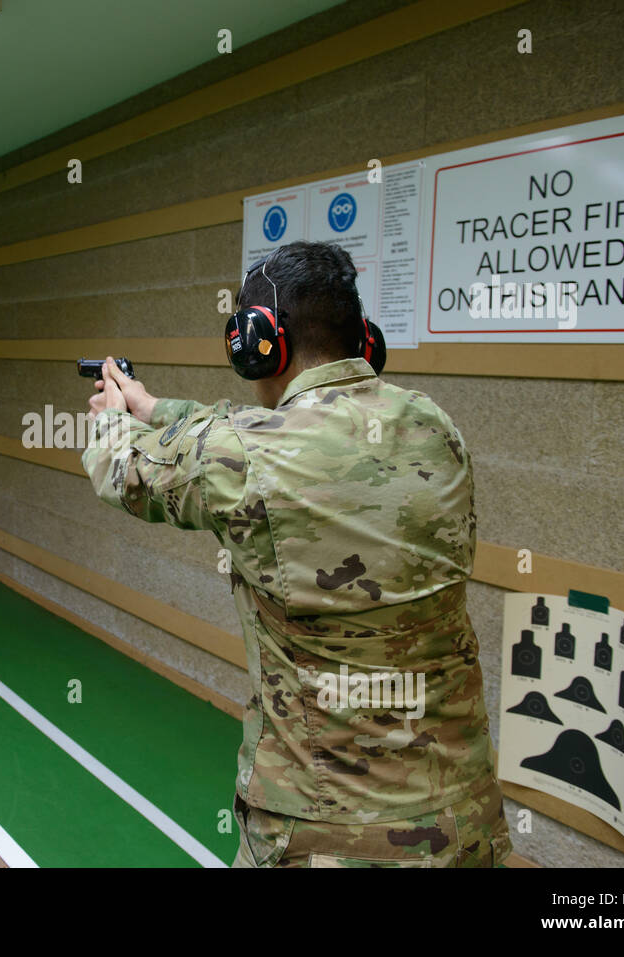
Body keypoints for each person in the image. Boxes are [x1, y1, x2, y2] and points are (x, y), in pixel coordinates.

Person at [81, 241, 511, 868]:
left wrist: (116, 418)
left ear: (259, 343)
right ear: (362, 336)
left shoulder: (242, 456)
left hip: (327, 832)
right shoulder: (434, 426)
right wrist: (154, 407)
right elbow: (249, 435)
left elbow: (121, 472)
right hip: (464, 818)